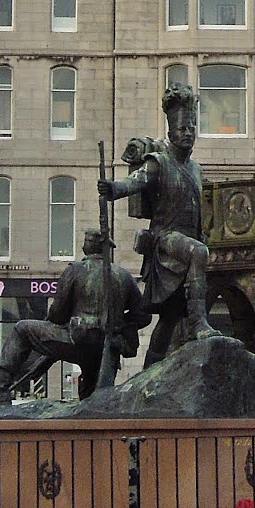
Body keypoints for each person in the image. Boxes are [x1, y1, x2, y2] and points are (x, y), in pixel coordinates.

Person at [103, 82, 219, 366]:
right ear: (170, 132)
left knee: (168, 319)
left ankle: (148, 369)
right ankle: (199, 321)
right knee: (197, 252)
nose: (188, 134)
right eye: (182, 129)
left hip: (189, 239)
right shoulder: (159, 162)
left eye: (191, 129)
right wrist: (114, 188)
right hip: (166, 240)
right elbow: (136, 181)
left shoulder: (196, 168)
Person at [0, 230, 150, 403]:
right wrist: (117, 325)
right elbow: (143, 316)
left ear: (89, 246)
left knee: (21, 329)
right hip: (106, 346)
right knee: (92, 398)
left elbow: (57, 315)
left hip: (77, 341)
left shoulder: (74, 271)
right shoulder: (124, 276)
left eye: (86, 240)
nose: (84, 243)